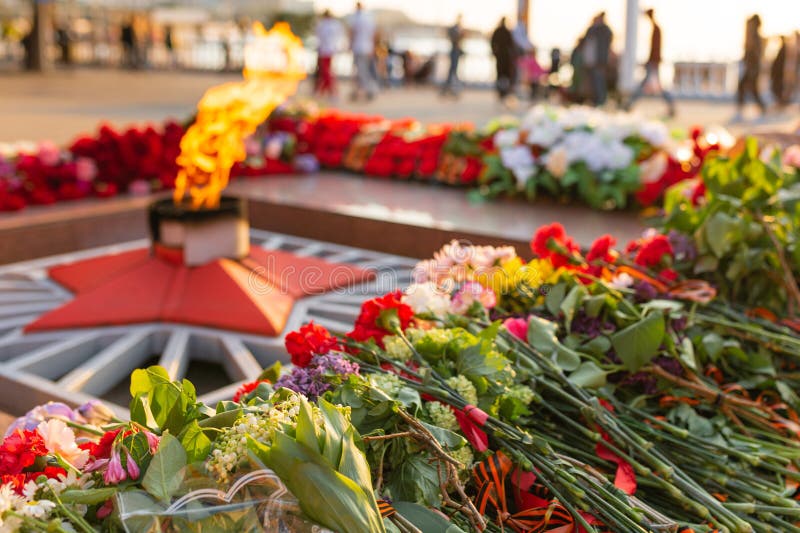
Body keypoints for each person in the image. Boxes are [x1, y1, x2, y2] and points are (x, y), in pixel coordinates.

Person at [626, 8, 675, 117]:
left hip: (653, 63)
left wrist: (651, 61)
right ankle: (629, 103)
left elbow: (655, 49)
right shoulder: (656, 28)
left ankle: (629, 104)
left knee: (650, 86)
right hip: (653, 62)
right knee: (654, 86)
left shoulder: (656, 29)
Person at [734, 14, 765, 120]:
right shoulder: (753, 35)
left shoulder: (755, 36)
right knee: (750, 89)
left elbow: (755, 54)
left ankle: (742, 110)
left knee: (745, 87)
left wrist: (751, 67)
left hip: (752, 68)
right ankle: (761, 109)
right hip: (751, 67)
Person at [349, 2, 378, 101]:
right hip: (368, 48)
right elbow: (374, 34)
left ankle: (367, 90)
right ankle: (360, 91)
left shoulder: (356, 18)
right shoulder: (369, 18)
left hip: (358, 48)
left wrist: (350, 45)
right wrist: (373, 47)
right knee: (365, 70)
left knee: (360, 71)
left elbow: (352, 33)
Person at [584, 12, 612, 106]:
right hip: (593, 61)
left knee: (599, 82)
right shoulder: (594, 30)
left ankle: (601, 101)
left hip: (600, 61)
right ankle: (597, 101)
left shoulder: (604, 30)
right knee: (594, 82)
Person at [315, 10, 341, 98]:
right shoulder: (335, 24)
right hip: (332, 50)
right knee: (327, 71)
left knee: (326, 71)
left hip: (324, 50)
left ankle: (331, 90)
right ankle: (324, 89)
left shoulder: (322, 24)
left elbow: (319, 37)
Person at [490, 17, 515, 104]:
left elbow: (511, 45)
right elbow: (511, 45)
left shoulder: (503, 31)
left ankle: (503, 92)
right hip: (503, 57)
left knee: (502, 75)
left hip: (503, 57)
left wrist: (495, 52)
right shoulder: (503, 31)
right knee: (503, 75)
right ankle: (502, 92)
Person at [440, 14, 464, 97]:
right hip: (454, 51)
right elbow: (452, 37)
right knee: (452, 70)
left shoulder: (460, 28)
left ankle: (449, 89)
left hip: (456, 51)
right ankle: (448, 89)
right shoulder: (454, 28)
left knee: (453, 71)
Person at [770, 35, 788, 109]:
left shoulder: (783, 49)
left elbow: (780, 64)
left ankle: (781, 103)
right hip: (777, 74)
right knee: (776, 88)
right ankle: (780, 103)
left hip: (779, 74)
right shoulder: (781, 49)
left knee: (777, 88)